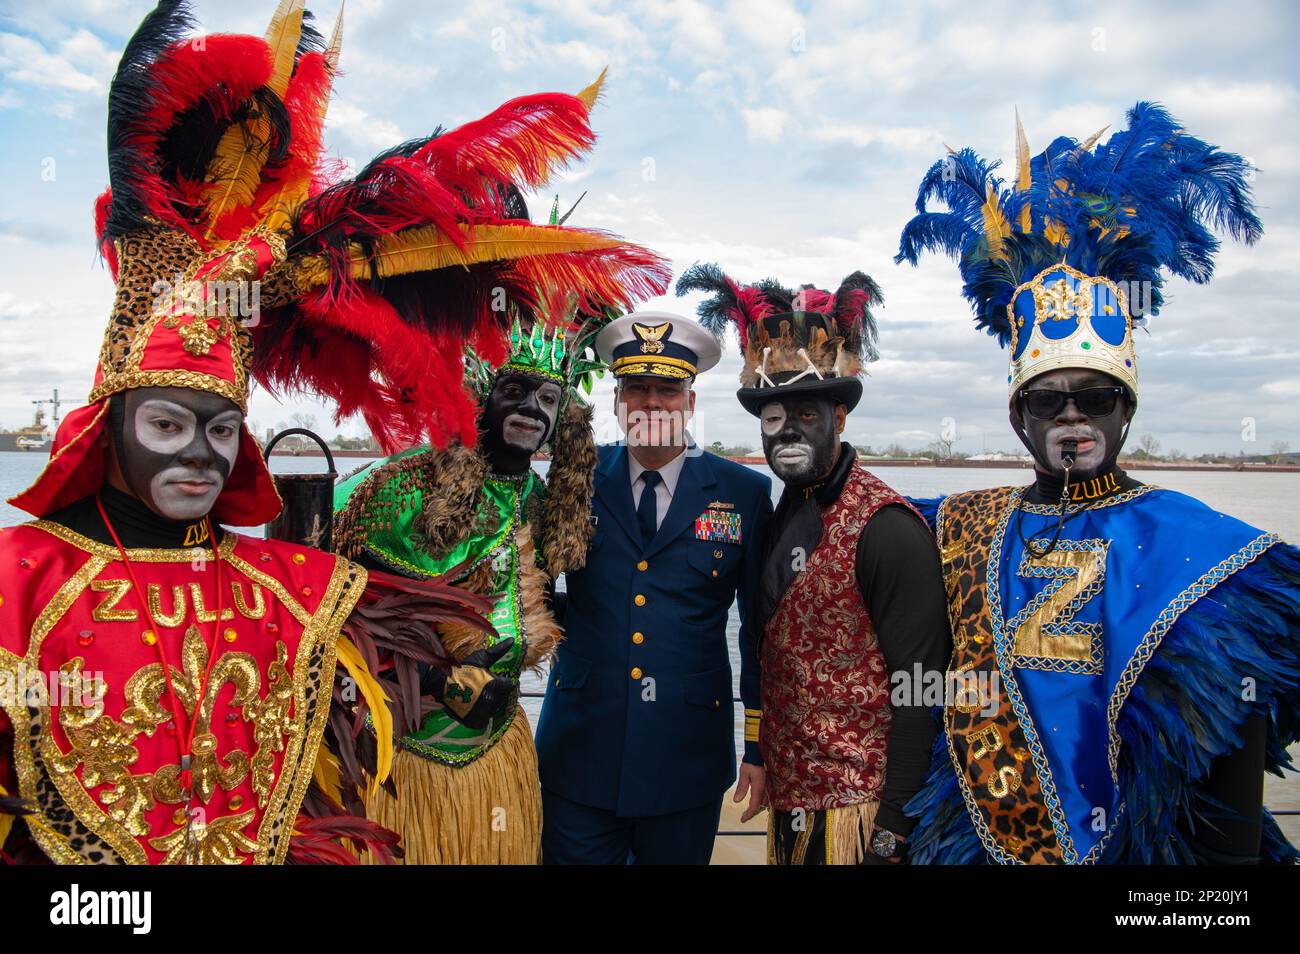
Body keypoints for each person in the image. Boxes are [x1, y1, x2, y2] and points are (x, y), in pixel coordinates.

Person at [895, 104, 1300, 864]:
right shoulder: (951, 525)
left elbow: (1229, 788)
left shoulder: (1213, 554)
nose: (1072, 416)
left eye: (1097, 397)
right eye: (1048, 399)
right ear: (1018, 417)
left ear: (1127, 411)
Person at [332, 194, 669, 863]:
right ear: (482, 389)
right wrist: (430, 681)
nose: (531, 410)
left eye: (548, 399)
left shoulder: (544, 502)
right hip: (406, 753)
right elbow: (321, 596)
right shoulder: (402, 483)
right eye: (516, 390)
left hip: (501, 745)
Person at [678, 264, 951, 864]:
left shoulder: (887, 528)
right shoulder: (780, 515)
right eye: (774, 420)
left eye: (806, 415)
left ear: (840, 418)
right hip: (793, 804)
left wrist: (894, 827)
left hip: (862, 812)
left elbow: (920, 686)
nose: (788, 433)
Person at [535, 311, 773, 864]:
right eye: (636, 388)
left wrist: (758, 745)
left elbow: (758, 629)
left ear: (690, 402)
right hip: (579, 749)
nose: (651, 402)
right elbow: (532, 593)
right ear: (618, 402)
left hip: (685, 754)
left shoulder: (743, 493)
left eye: (667, 388)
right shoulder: (575, 479)